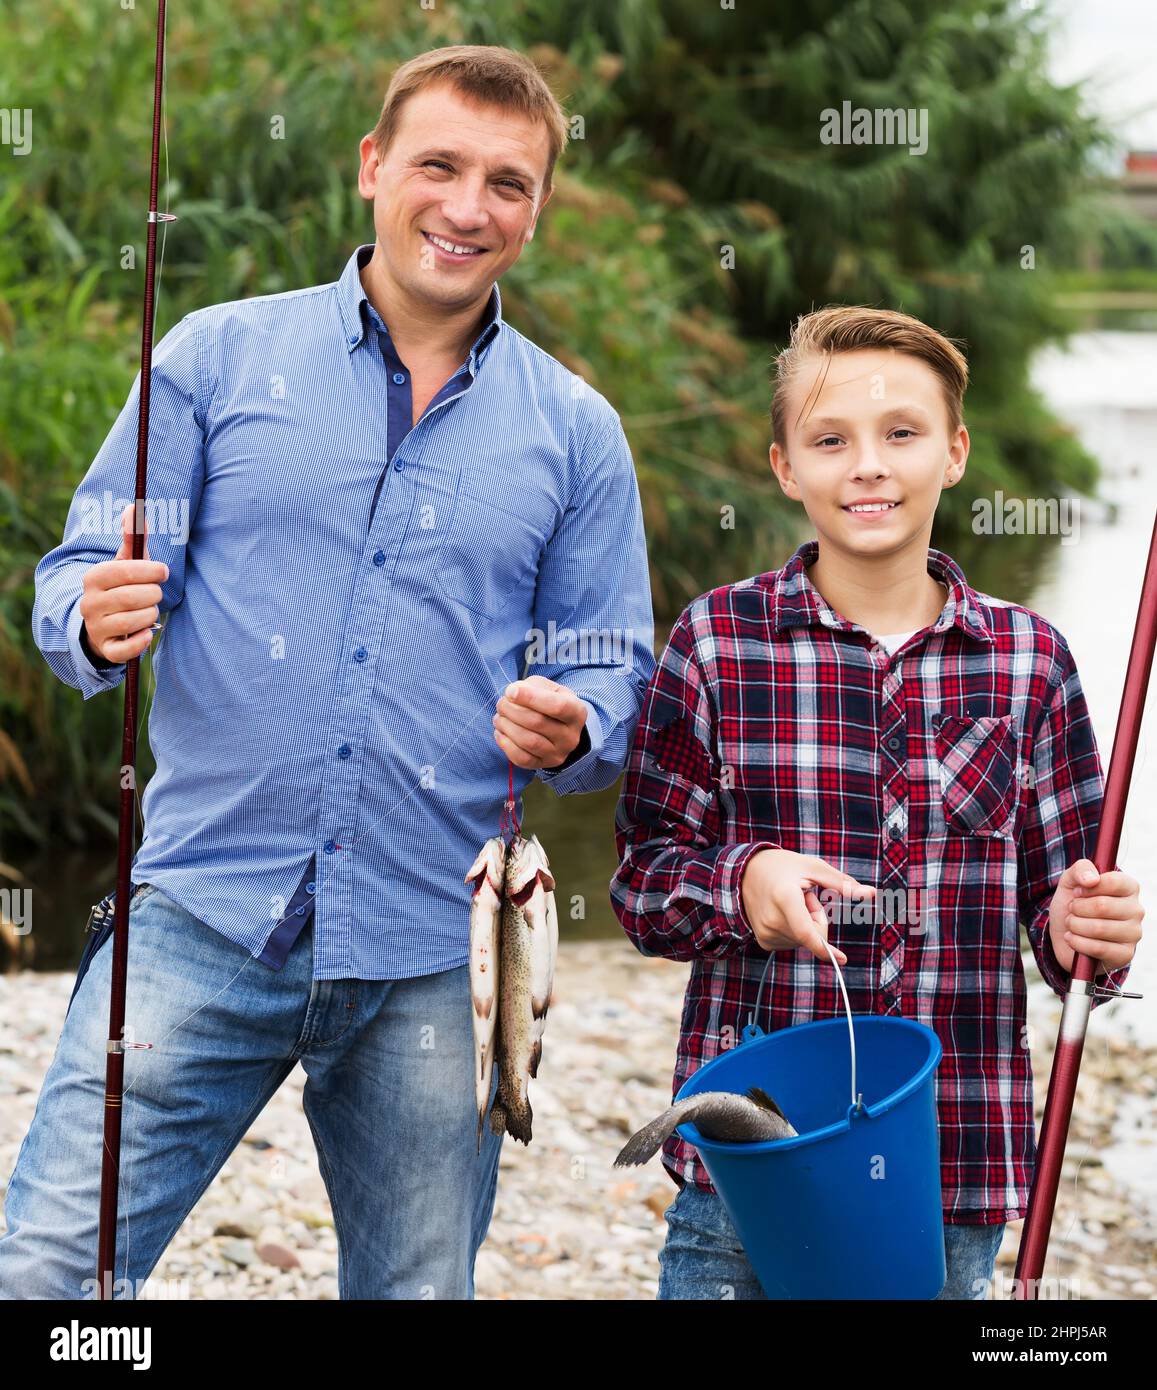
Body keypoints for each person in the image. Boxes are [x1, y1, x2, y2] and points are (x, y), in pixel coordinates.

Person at [1, 44, 653, 1301]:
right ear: (371, 168)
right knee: (48, 1282)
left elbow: (610, 673)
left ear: (538, 206)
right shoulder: (215, 359)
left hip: (433, 953)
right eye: (439, 167)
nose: (468, 208)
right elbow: (77, 570)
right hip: (197, 917)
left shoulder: (575, 434)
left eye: (507, 183)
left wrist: (576, 719)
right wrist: (89, 614)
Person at [610, 305, 1143, 1300]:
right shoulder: (715, 644)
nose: (866, 465)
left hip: (948, 1169)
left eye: (899, 433)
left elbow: (1062, 928)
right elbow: (642, 885)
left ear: (953, 451)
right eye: (829, 439)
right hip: (748, 1167)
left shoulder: (1029, 664)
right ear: (782, 465)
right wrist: (742, 882)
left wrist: (1086, 931)